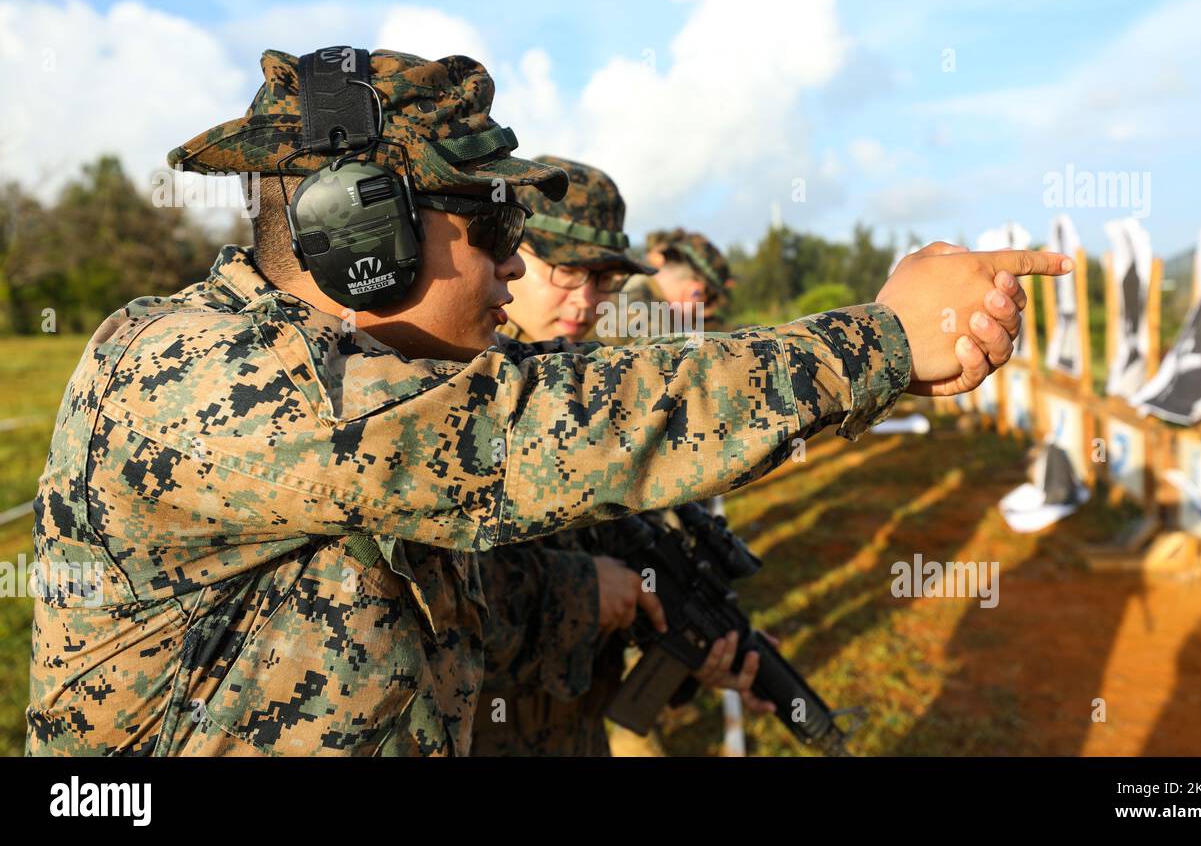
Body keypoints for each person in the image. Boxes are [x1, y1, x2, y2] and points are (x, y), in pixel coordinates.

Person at [26, 44, 1068, 757]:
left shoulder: (358, 390)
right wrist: (877, 339)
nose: (515, 260)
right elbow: (536, 429)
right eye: (489, 227)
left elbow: (458, 604)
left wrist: (605, 599)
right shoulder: (191, 370)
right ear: (364, 235)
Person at [471, 157, 770, 756]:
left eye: (604, 279)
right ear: (508, 250)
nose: (586, 299)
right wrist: (586, 590)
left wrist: (685, 649)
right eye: (565, 271)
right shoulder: (456, 386)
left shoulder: (591, 389)